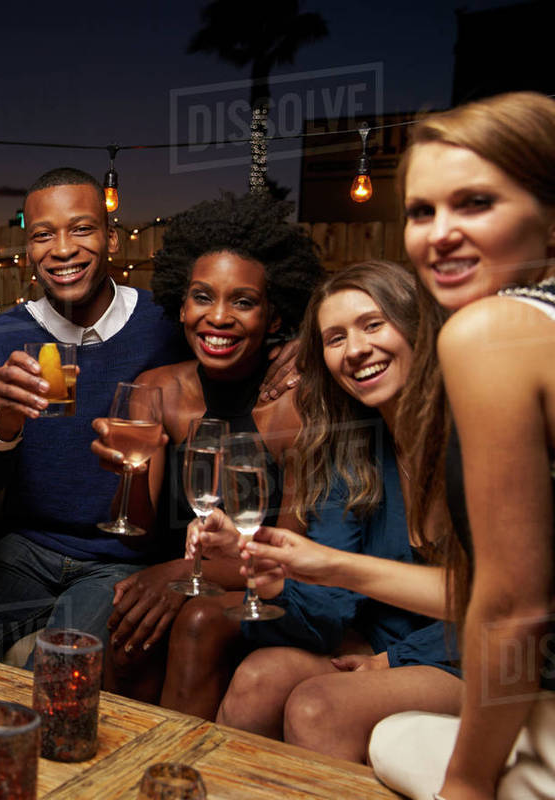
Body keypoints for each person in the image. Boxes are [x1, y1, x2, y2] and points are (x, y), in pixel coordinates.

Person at [0, 167, 191, 660]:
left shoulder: (164, 324)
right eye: (44, 235)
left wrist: (292, 356)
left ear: (110, 236)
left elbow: (241, 341)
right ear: (28, 251)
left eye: (81, 228)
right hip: (26, 549)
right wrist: (4, 423)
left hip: (121, 560)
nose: (62, 249)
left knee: (60, 667)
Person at [192, 260, 461, 762]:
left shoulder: (472, 431)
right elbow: (329, 608)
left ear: (418, 326)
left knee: (318, 706)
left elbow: (513, 605)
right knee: (258, 678)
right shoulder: (353, 453)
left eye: (373, 324)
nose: (356, 349)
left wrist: (395, 660)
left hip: (479, 654)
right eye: (335, 338)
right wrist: (265, 571)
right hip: (383, 645)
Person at [365, 91, 555, 800]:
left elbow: (515, 612)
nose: (437, 235)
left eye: (475, 203)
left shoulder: (491, 332)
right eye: (421, 211)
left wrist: (467, 787)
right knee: (394, 736)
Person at [91, 192, 320, 708]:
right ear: (182, 303)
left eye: (242, 301)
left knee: (196, 618)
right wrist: (130, 474)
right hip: (176, 573)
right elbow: (138, 537)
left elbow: (291, 557)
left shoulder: (294, 404)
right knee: (128, 633)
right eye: (202, 297)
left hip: (263, 585)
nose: (218, 317)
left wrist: (178, 576)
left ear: (274, 315)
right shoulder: (157, 390)